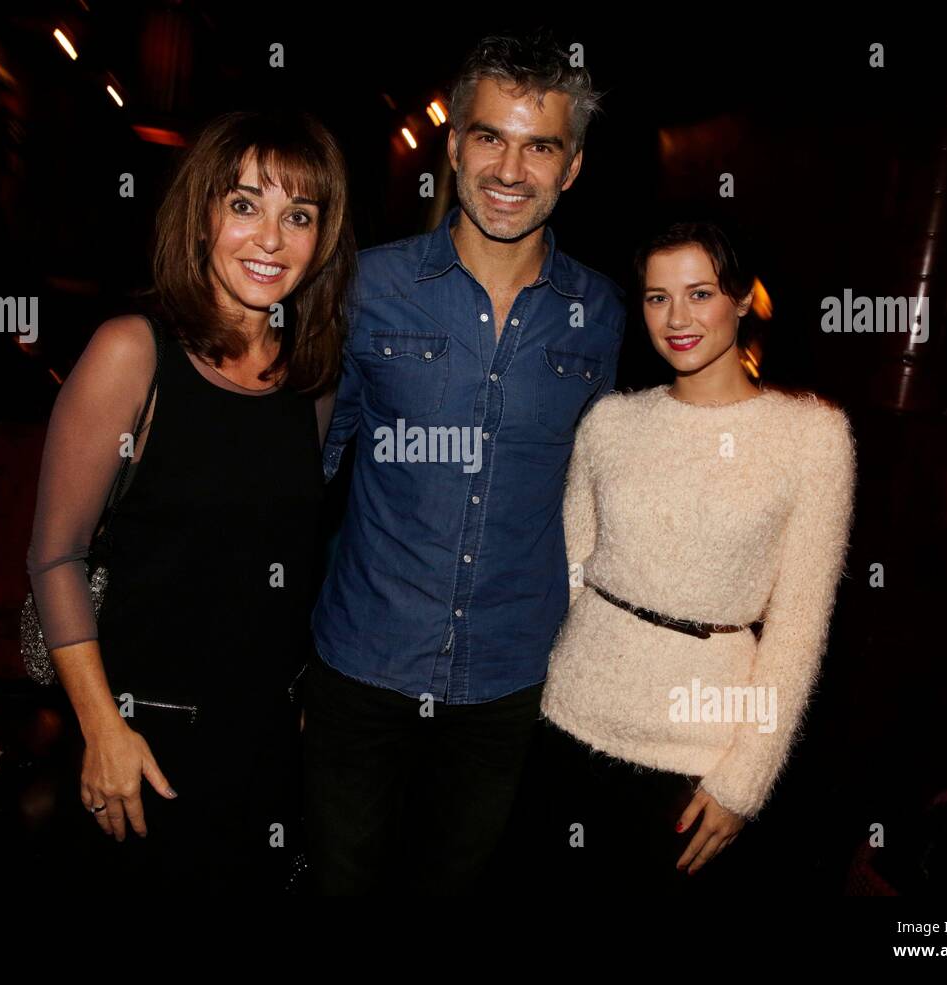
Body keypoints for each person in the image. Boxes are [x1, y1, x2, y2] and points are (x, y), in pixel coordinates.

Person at [303, 29, 625, 894]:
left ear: (573, 167)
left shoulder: (603, 314)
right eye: (490, 137)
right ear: (453, 146)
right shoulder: (364, 287)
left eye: (540, 146)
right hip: (363, 666)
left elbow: (609, 494)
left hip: (509, 682)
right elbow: (302, 470)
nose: (510, 171)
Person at [25, 110, 354, 891]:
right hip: (141, 745)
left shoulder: (312, 376)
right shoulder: (132, 352)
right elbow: (55, 555)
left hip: (266, 754)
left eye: (298, 215)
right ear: (203, 211)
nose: (270, 238)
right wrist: (103, 728)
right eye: (244, 204)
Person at [537, 220, 857, 892]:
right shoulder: (611, 422)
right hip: (562, 726)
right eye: (657, 297)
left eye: (700, 292)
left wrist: (744, 780)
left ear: (742, 299)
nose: (676, 318)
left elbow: (799, 629)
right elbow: (568, 572)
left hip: (692, 754)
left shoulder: (812, 438)